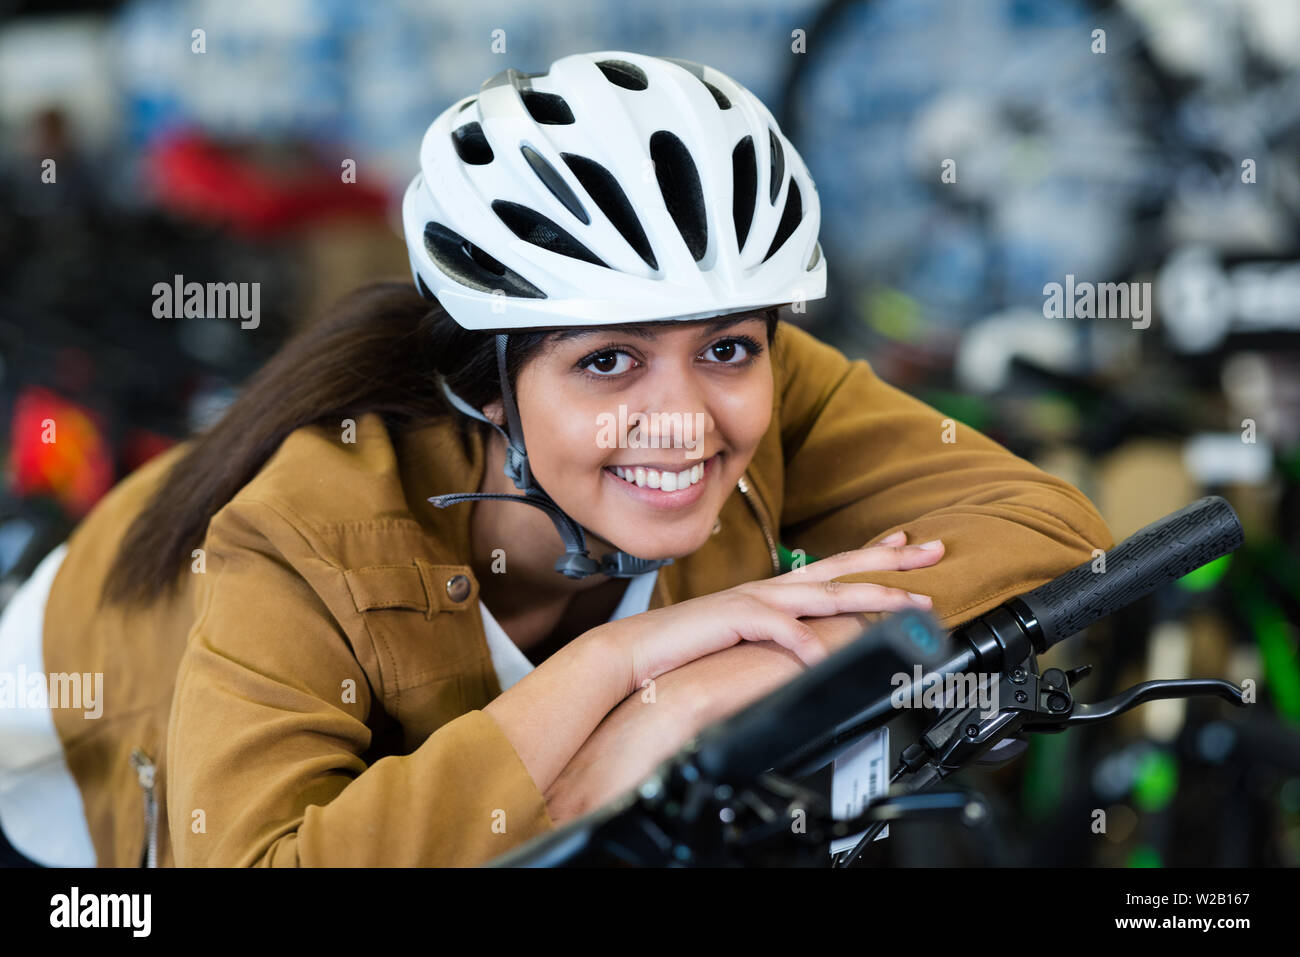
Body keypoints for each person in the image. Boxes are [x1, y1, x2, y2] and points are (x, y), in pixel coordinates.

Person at [0, 51, 1113, 868]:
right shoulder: (300, 535)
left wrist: (741, 672)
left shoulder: (763, 386)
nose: (684, 418)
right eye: (607, 364)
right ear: (488, 382)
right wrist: (618, 685)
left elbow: (1041, 525)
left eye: (728, 346)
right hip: (68, 766)